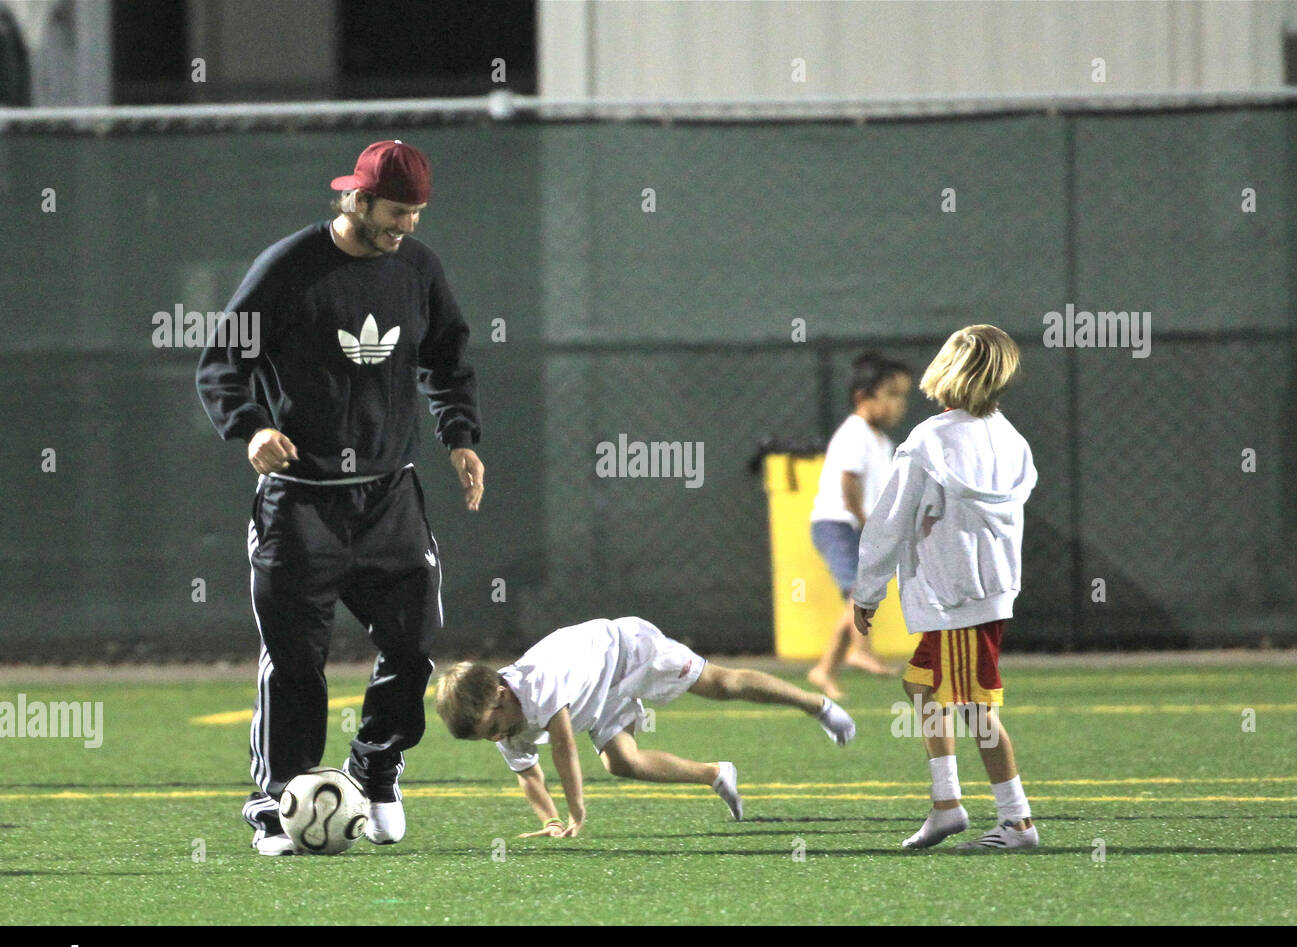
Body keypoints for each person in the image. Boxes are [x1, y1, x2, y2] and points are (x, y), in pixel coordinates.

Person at [196, 140, 484, 856]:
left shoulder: (417, 268)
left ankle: (375, 768)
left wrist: (461, 437)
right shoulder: (289, 269)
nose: (406, 226)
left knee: (414, 648)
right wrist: (252, 428)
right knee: (296, 664)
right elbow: (220, 363)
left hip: (390, 497)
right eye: (395, 212)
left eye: (416, 213)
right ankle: (276, 807)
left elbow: (449, 357)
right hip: (300, 503)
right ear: (355, 199)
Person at [851, 325, 1039, 850]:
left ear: (947, 367)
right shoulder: (1011, 438)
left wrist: (867, 590)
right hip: (991, 591)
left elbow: (889, 522)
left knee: (978, 713)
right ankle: (947, 805)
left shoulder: (929, 441)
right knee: (922, 687)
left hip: (954, 598)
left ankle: (1017, 822)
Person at [434, 617, 856, 835]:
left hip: (627, 651)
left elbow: (564, 748)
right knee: (622, 762)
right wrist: (550, 821)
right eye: (484, 737)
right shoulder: (502, 724)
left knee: (721, 684)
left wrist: (576, 811)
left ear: (501, 694)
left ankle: (815, 704)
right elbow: (529, 775)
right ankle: (715, 773)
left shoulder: (536, 685)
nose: (495, 738)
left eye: (493, 727)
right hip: (597, 696)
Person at [808, 353, 912, 699]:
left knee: (857, 597)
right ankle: (860, 651)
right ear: (862, 398)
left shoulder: (882, 442)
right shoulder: (854, 432)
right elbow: (848, 482)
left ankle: (824, 670)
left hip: (855, 525)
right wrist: (867, 521)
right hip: (837, 523)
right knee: (858, 590)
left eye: (903, 396)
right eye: (892, 395)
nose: (900, 404)